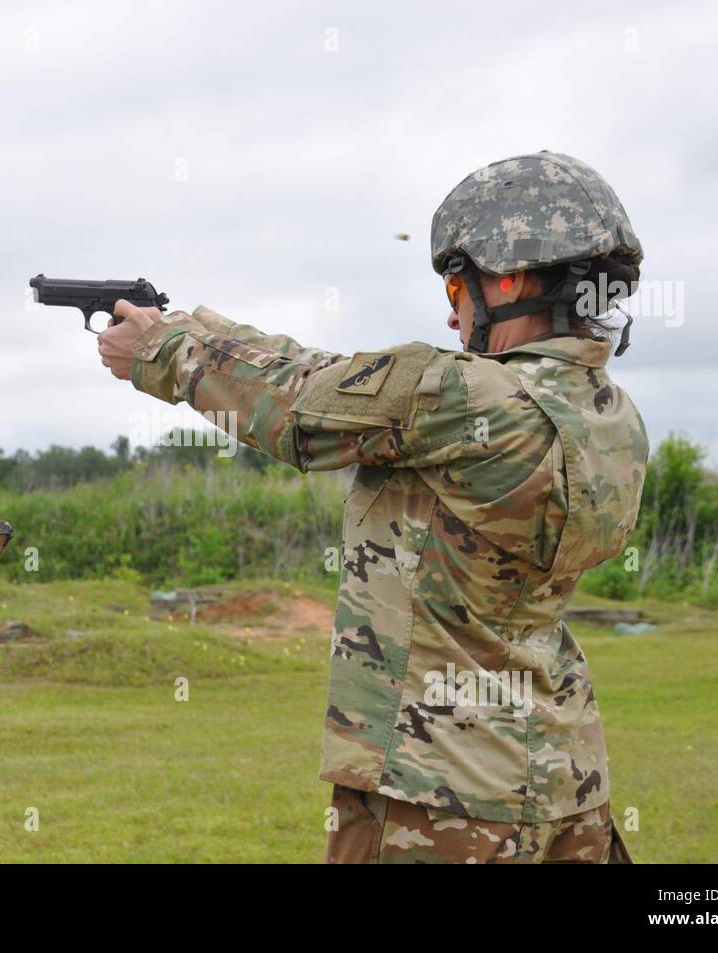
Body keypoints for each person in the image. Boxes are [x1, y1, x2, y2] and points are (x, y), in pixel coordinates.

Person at [96, 151, 647, 864]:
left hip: (439, 798)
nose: (454, 318)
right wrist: (194, 325)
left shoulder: (468, 396)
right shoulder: (611, 416)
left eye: (458, 289)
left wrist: (164, 350)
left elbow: (298, 406)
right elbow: (336, 379)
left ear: (507, 278)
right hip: (565, 783)